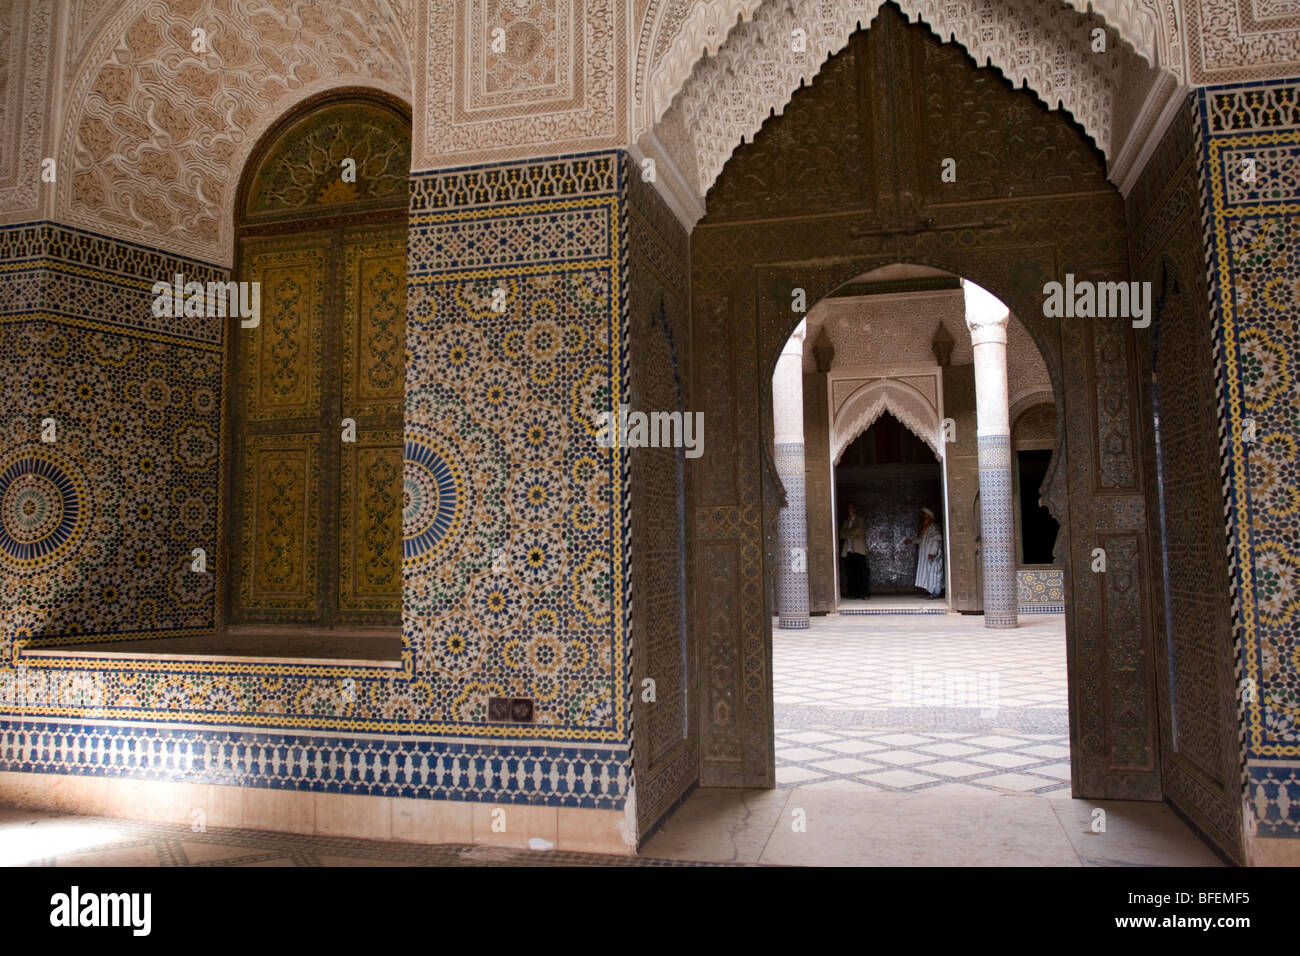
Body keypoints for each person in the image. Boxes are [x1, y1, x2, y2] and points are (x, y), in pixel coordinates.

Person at [905, 507, 944, 598]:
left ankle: (936, 592)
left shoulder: (934, 527)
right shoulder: (927, 528)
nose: (924, 517)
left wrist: (933, 552)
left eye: (925, 515)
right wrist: (911, 541)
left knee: (935, 573)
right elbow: (922, 540)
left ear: (930, 516)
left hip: (933, 555)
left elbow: (937, 540)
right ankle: (932, 591)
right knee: (929, 573)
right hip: (927, 555)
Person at [839, 502, 869, 599]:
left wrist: (848, 533)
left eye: (851, 508)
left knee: (862, 573)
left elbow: (858, 530)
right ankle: (853, 594)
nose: (849, 510)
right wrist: (851, 534)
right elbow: (841, 534)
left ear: (855, 509)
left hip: (859, 550)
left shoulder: (860, 520)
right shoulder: (845, 521)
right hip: (848, 551)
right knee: (851, 573)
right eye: (848, 508)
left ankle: (864, 594)